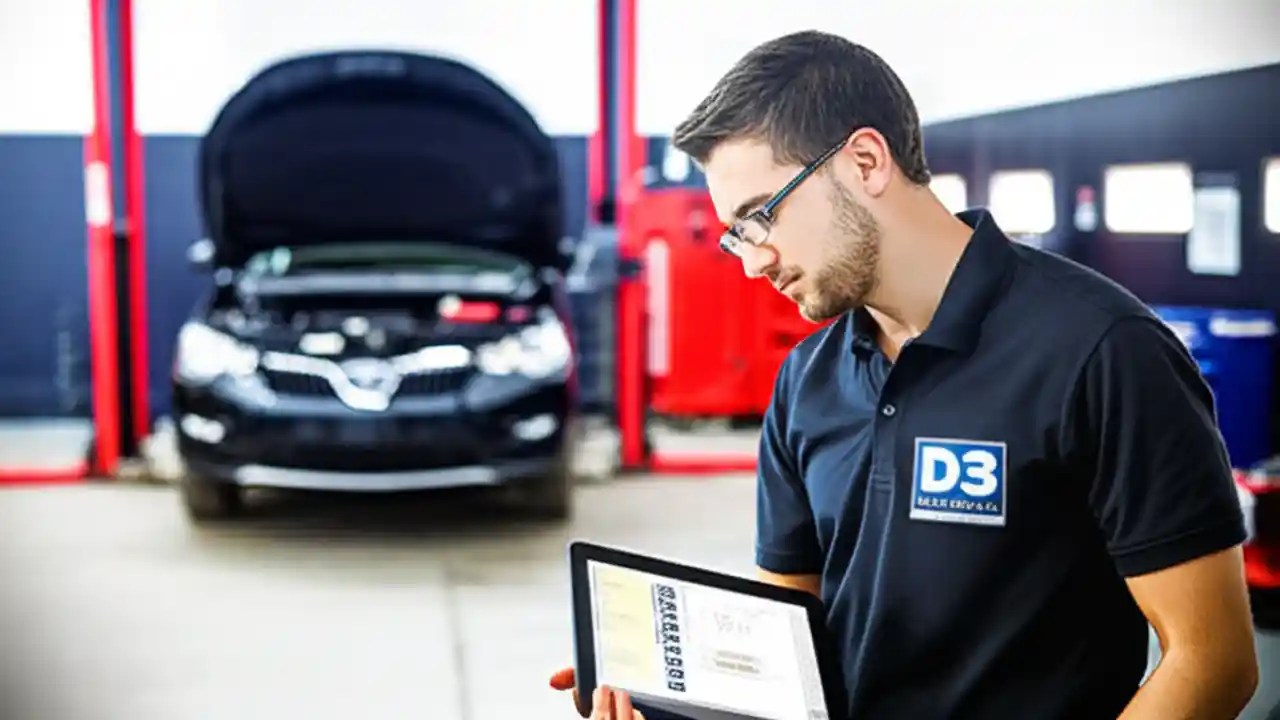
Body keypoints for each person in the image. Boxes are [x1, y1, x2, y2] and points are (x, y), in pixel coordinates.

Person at [551, 30, 1261, 719]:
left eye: (759, 217)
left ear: (864, 161)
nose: (751, 260)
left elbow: (1212, 661)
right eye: (736, 233)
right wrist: (678, 698)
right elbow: (786, 649)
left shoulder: (1103, 351)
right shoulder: (806, 382)